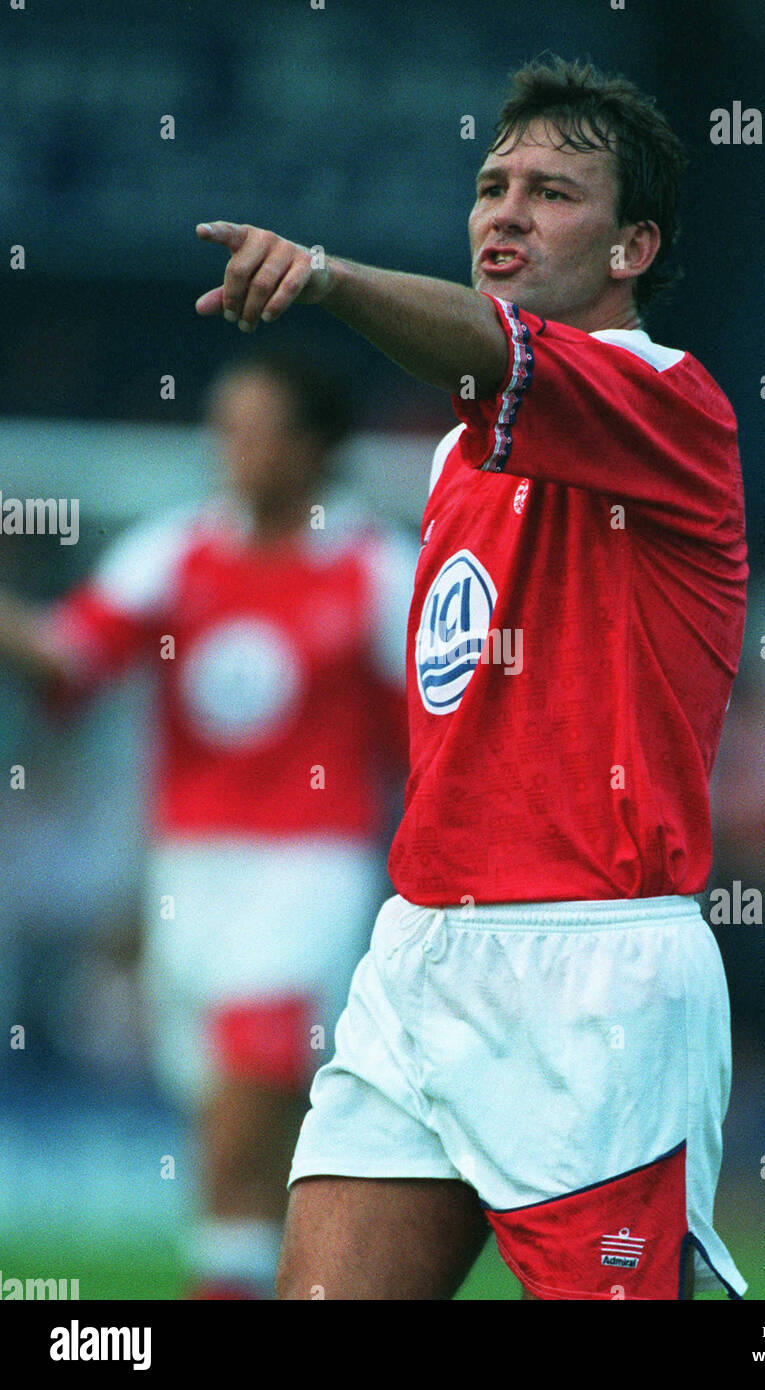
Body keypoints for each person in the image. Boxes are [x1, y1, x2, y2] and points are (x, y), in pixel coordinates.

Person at [195, 56, 749, 1302]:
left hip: (591, 975)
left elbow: (495, 353)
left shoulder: (674, 403)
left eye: (552, 192)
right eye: (491, 184)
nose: (504, 211)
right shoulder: (458, 450)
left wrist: (327, 277)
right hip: (420, 959)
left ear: (631, 247)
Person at [0, 351, 415, 1299]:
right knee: (233, 1140)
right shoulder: (175, 552)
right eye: (220, 425)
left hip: (311, 871)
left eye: (253, 426)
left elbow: (440, 733)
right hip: (188, 876)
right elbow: (67, 661)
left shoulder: (377, 571)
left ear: (313, 448)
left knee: (246, 1098)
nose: (228, 447)